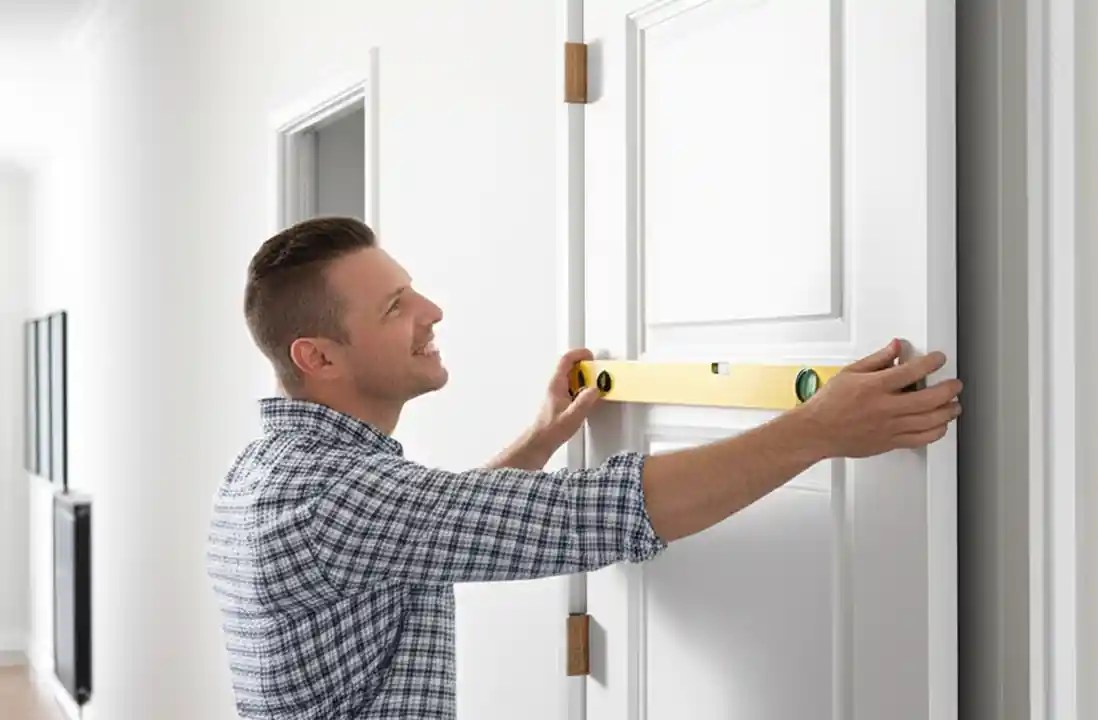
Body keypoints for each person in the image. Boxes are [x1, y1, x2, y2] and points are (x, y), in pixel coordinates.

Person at [206, 216, 963, 719]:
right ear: (319, 356)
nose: (432, 311)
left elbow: (433, 527)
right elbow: (589, 516)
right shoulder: (328, 498)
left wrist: (539, 439)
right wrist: (815, 432)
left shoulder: (278, 470)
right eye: (395, 305)